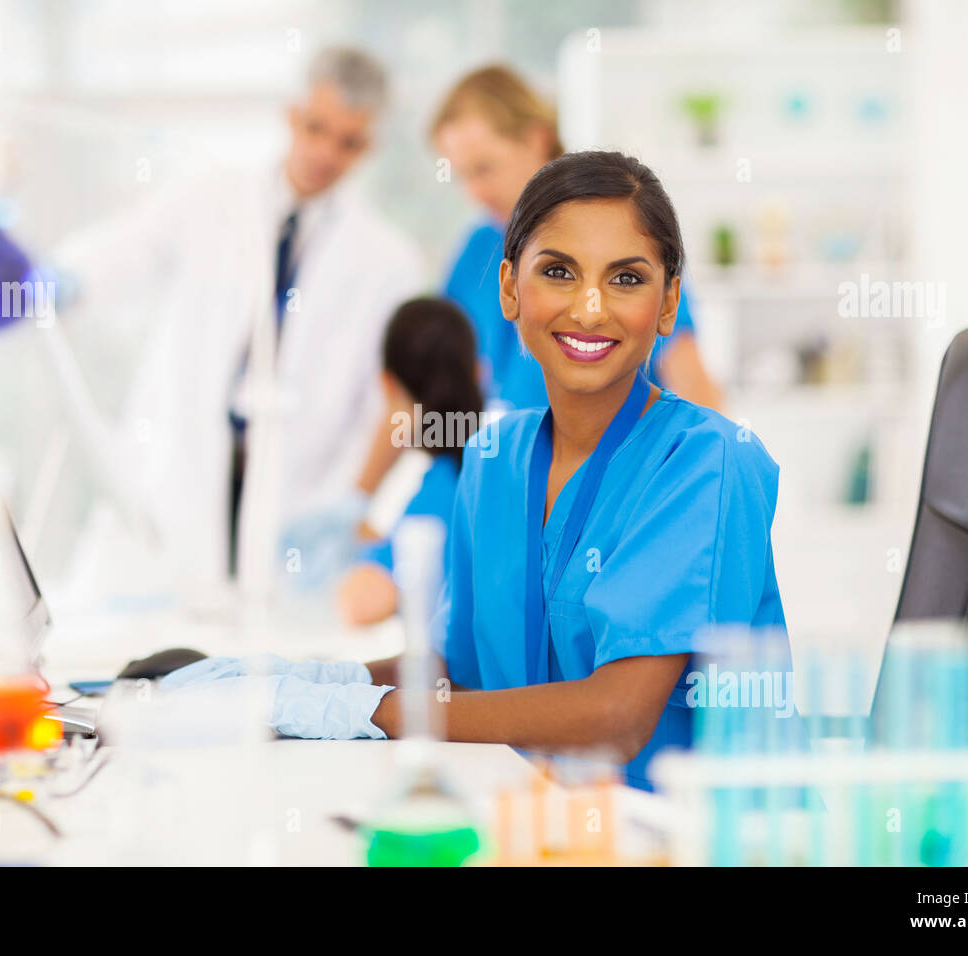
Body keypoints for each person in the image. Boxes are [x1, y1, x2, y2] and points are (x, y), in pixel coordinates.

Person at [162, 151, 788, 792]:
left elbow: (616, 714)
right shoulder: (495, 460)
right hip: (553, 833)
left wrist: (364, 713)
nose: (591, 308)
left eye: (626, 279)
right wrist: (302, 682)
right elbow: (459, 674)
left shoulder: (704, 464)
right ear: (511, 290)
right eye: (559, 272)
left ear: (668, 303)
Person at [51, 48, 422, 594]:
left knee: (264, 658)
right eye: (316, 128)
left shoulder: (389, 261)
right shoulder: (208, 198)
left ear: (369, 146)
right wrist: (64, 280)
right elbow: (126, 251)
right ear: (291, 115)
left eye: (348, 142)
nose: (325, 153)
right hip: (180, 481)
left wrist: (353, 502)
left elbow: (394, 400)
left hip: (298, 499)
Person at [433, 66, 723, 413]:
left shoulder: (614, 230)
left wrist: (702, 458)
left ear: (536, 139)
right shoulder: (478, 249)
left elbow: (689, 375)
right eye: (461, 177)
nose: (475, 193)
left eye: (484, 169)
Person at [335, 297, 484, 626]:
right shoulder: (496, 465)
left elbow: (363, 604)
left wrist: (368, 549)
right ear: (479, 371)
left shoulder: (429, 488)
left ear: (387, 385)